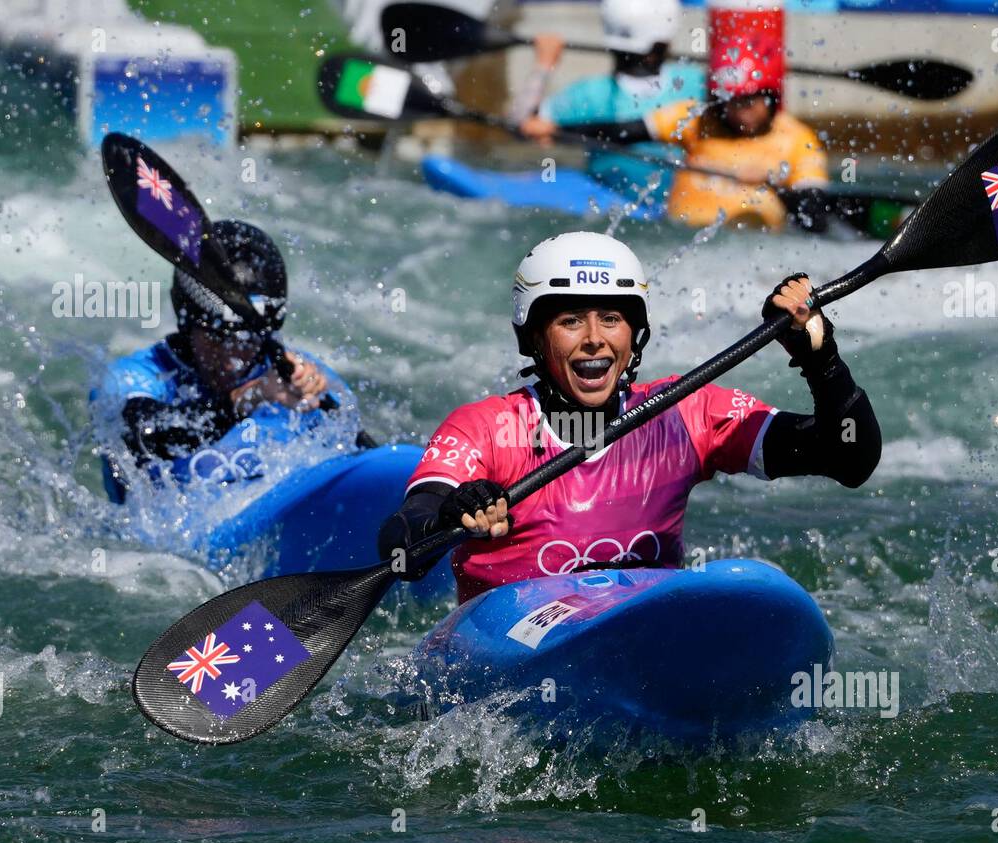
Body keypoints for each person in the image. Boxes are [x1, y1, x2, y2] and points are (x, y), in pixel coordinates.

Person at [377, 231, 880, 603]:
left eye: (612, 318)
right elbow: (403, 543)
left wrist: (821, 358)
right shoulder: (486, 427)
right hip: (512, 656)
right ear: (533, 338)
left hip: (643, 631)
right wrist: (451, 513)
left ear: (634, 336)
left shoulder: (685, 412)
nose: (595, 338)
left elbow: (849, 458)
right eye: (571, 320)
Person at [93, 219, 353, 503]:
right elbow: (147, 437)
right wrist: (247, 398)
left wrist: (326, 404)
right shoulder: (133, 377)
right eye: (217, 338)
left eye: (248, 339)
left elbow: (357, 464)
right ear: (187, 320)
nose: (233, 360)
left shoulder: (298, 378)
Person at [522, 10, 831, 232]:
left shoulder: (796, 139)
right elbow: (624, 132)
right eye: (731, 102)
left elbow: (815, 219)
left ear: (771, 96)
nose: (740, 113)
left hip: (749, 242)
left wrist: (773, 180)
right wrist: (558, 131)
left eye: (749, 103)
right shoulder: (698, 117)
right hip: (675, 236)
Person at [510, 0, 702, 207]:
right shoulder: (694, 84)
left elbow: (520, 125)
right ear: (666, 41)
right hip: (667, 209)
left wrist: (543, 64)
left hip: (611, 204)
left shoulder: (590, 93)